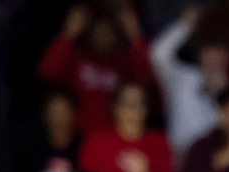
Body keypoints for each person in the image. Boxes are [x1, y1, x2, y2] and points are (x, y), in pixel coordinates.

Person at [40, 3, 157, 136]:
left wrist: (135, 36)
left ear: (116, 34)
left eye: (109, 32)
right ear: (91, 32)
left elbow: (147, 78)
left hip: (116, 136)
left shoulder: (123, 62)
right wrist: (68, 34)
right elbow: (48, 72)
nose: (104, 35)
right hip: (78, 135)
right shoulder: (78, 58)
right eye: (100, 30)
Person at [151, 5, 229, 154]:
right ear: (201, 54)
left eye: (222, 51)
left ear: (228, 57)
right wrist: (185, 24)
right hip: (179, 160)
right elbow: (158, 55)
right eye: (211, 50)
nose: (216, 56)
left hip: (214, 165)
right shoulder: (181, 77)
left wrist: (221, 95)